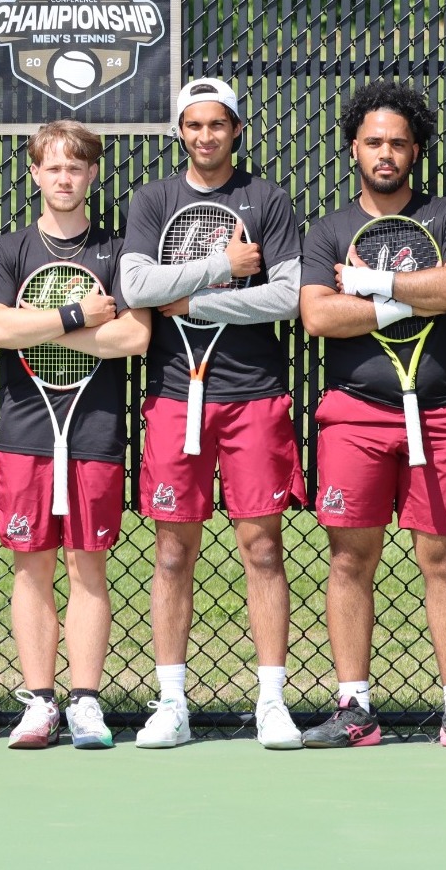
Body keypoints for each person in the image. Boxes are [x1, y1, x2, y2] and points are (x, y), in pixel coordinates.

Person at [297, 81, 446, 751]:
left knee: (443, 556)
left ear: (415, 148)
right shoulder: (327, 227)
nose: (385, 153)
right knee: (348, 560)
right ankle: (354, 707)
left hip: (440, 412)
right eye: (373, 142)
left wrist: (366, 283)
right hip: (353, 414)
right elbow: (318, 315)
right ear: (353, 147)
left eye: (397, 142)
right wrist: (410, 299)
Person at [119, 78, 307, 750]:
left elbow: (288, 297)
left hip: (253, 393)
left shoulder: (267, 200)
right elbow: (135, 286)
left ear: (235, 129)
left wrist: (198, 302)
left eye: (217, 125)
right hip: (174, 394)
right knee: (172, 551)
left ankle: (270, 699)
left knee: (261, 546)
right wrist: (220, 265)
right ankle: (171, 700)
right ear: (179, 132)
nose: (205, 136)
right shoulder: (153, 200)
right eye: (193, 125)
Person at [0, 120, 150, 749]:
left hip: (95, 430)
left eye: (75, 167)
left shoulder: (115, 250)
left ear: (92, 174)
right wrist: (77, 317)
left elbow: (132, 337)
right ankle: (39, 702)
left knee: (87, 567)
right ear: (34, 174)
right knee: (31, 567)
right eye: (52, 167)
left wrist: (40, 326)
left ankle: (84, 702)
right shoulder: (8, 251)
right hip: (26, 431)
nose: (64, 178)